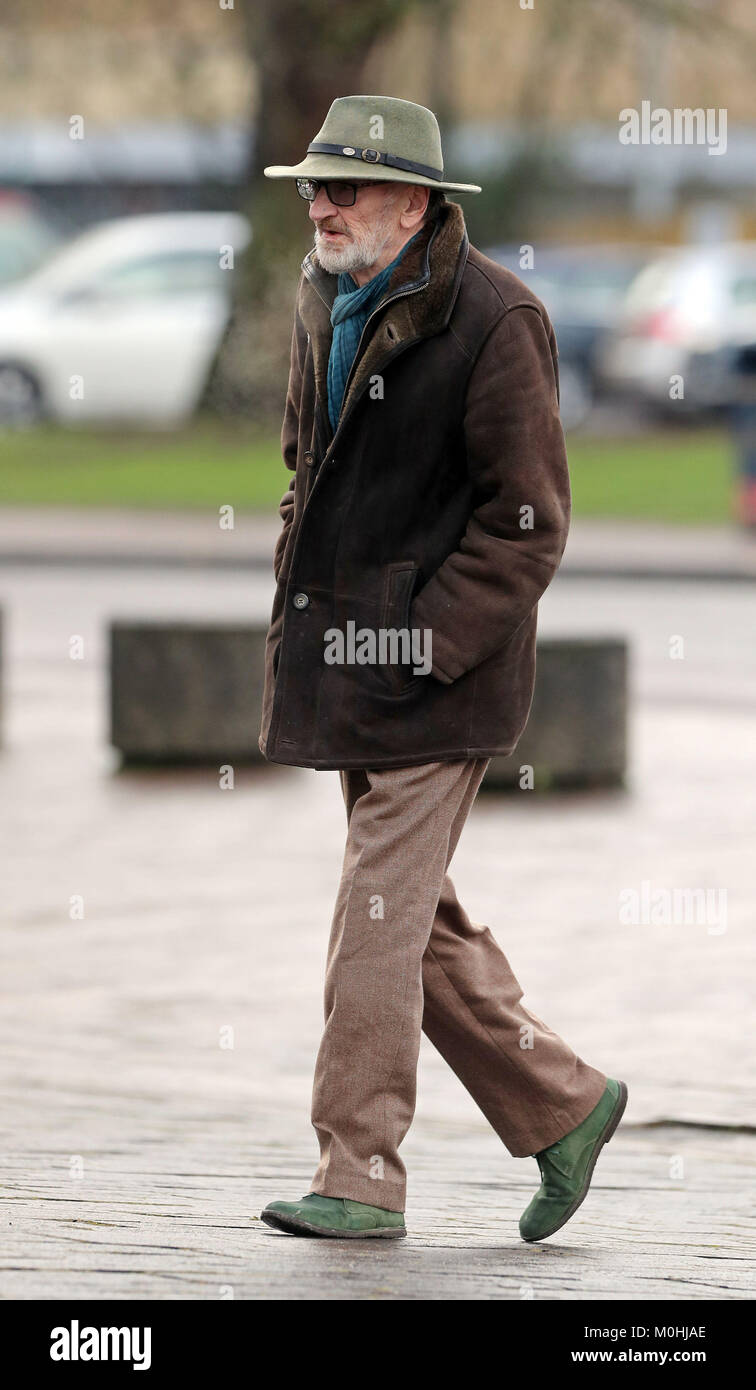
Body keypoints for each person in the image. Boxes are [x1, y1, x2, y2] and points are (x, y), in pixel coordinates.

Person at [258, 95, 626, 1242]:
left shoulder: (497, 317)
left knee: (372, 913)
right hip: (346, 668)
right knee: (421, 923)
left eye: (346, 186)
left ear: (415, 202)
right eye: (315, 184)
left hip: (436, 680)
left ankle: (358, 1169)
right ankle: (567, 1105)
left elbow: (527, 524)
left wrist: (423, 645)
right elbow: (301, 476)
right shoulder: (322, 296)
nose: (321, 205)